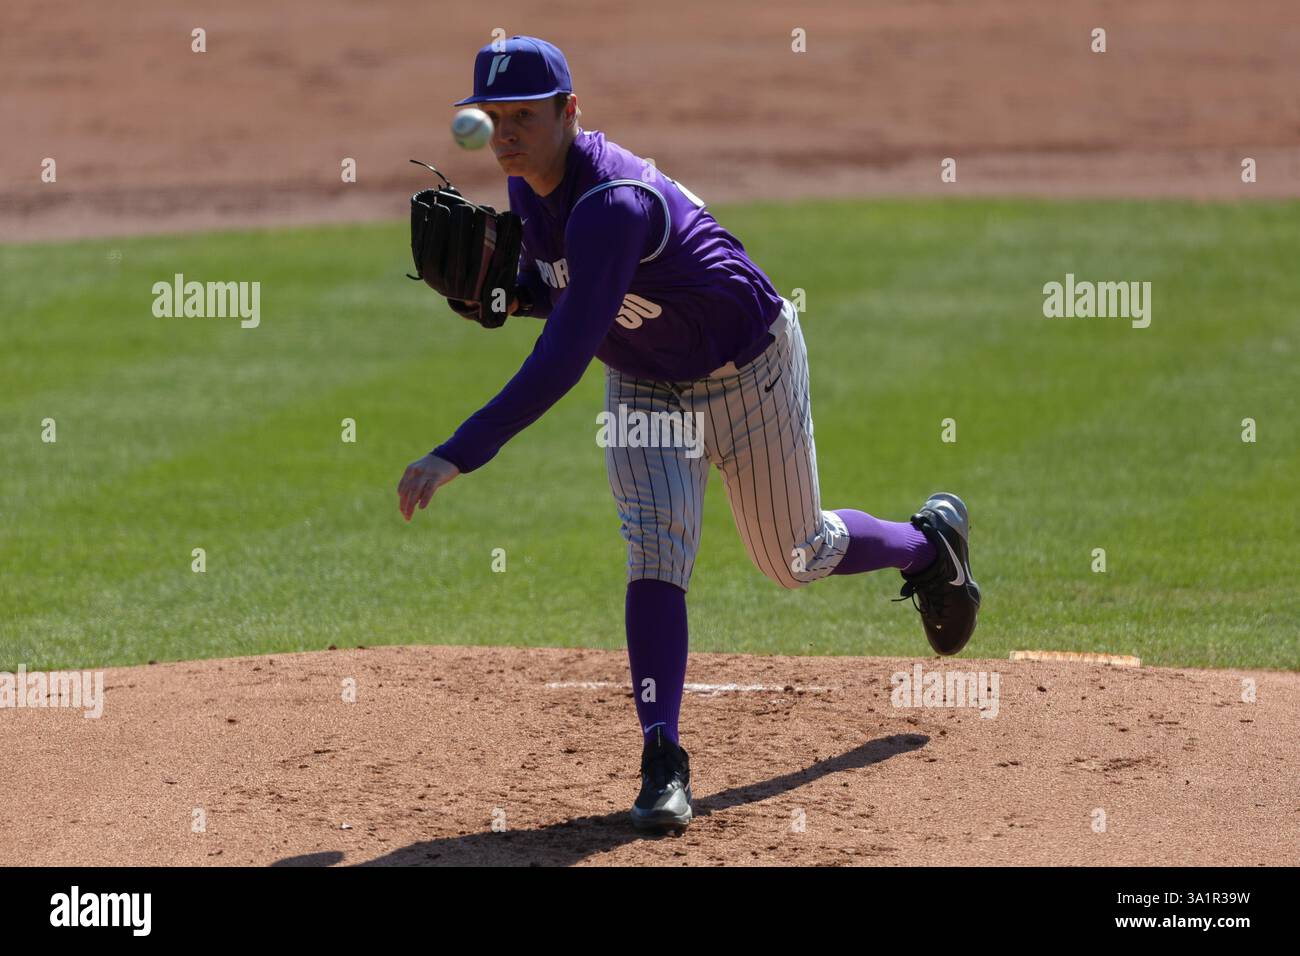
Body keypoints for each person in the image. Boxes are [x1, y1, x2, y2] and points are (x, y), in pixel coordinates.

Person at [396, 35, 982, 833]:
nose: (505, 134)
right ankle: (662, 758)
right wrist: (507, 292)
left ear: (571, 112)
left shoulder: (611, 203)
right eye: (493, 117)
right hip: (645, 381)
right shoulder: (529, 187)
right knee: (655, 544)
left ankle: (929, 546)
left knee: (795, 556)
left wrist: (457, 451)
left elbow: (566, 352)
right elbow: (570, 294)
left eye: (524, 117)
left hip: (750, 365)